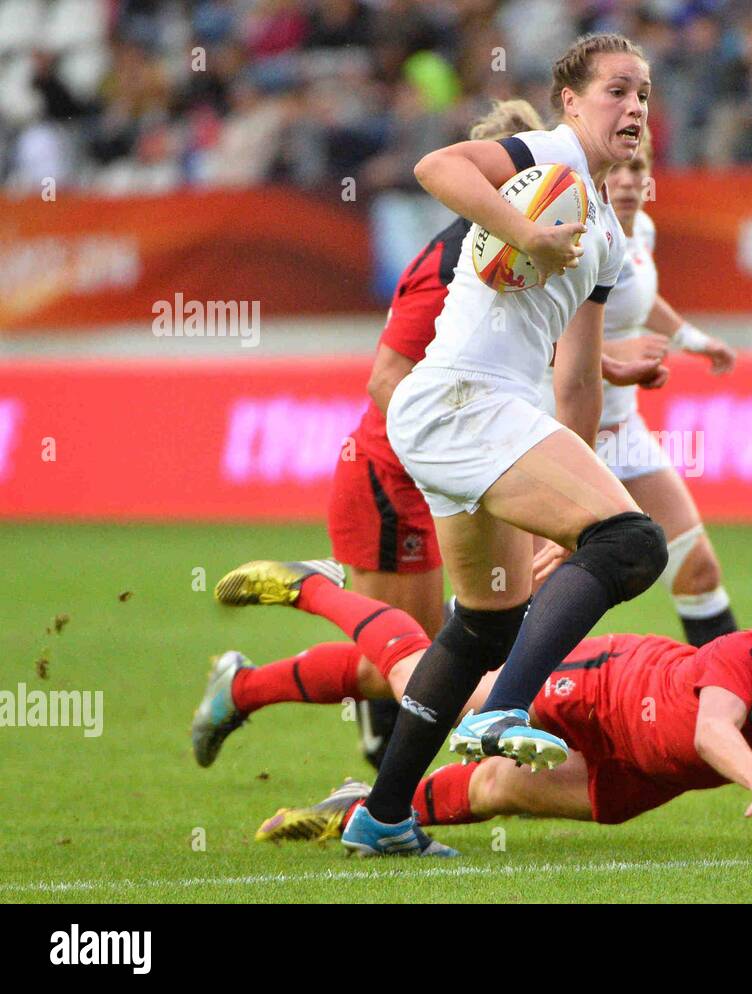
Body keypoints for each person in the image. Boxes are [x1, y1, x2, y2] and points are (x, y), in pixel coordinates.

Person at [189, 98, 664, 773]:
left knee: (442, 650)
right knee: (412, 661)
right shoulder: (452, 256)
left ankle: (263, 702)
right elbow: (389, 378)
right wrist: (470, 468)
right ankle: (306, 632)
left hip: (463, 461)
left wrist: (605, 361)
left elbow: (526, 348)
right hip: (394, 475)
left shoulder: (522, 250)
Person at [307, 33, 664, 856]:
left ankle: (383, 816)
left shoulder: (604, 231)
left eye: (644, 93)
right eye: (617, 90)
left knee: (483, 626)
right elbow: (438, 166)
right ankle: (507, 709)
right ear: (571, 101)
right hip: (463, 400)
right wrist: (524, 233)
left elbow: (576, 382)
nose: (636, 107)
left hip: (477, 417)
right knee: (633, 541)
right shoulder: (548, 155)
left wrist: (556, 524)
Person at [212, 559, 752, 852]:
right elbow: (711, 731)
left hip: (646, 775)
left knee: (494, 789)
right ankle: (315, 590)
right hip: (611, 683)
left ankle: (362, 809)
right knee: (436, 690)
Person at [536, 125, 740, 648]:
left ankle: (725, 703)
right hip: (554, 434)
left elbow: (640, 299)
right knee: (522, 595)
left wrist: (692, 339)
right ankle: (467, 701)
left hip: (623, 431)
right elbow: (536, 330)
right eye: (619, 170)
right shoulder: (571, 234)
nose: (627, 182)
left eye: (638, 170)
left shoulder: (641, 231)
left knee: (698, 572)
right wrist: (609, 360)